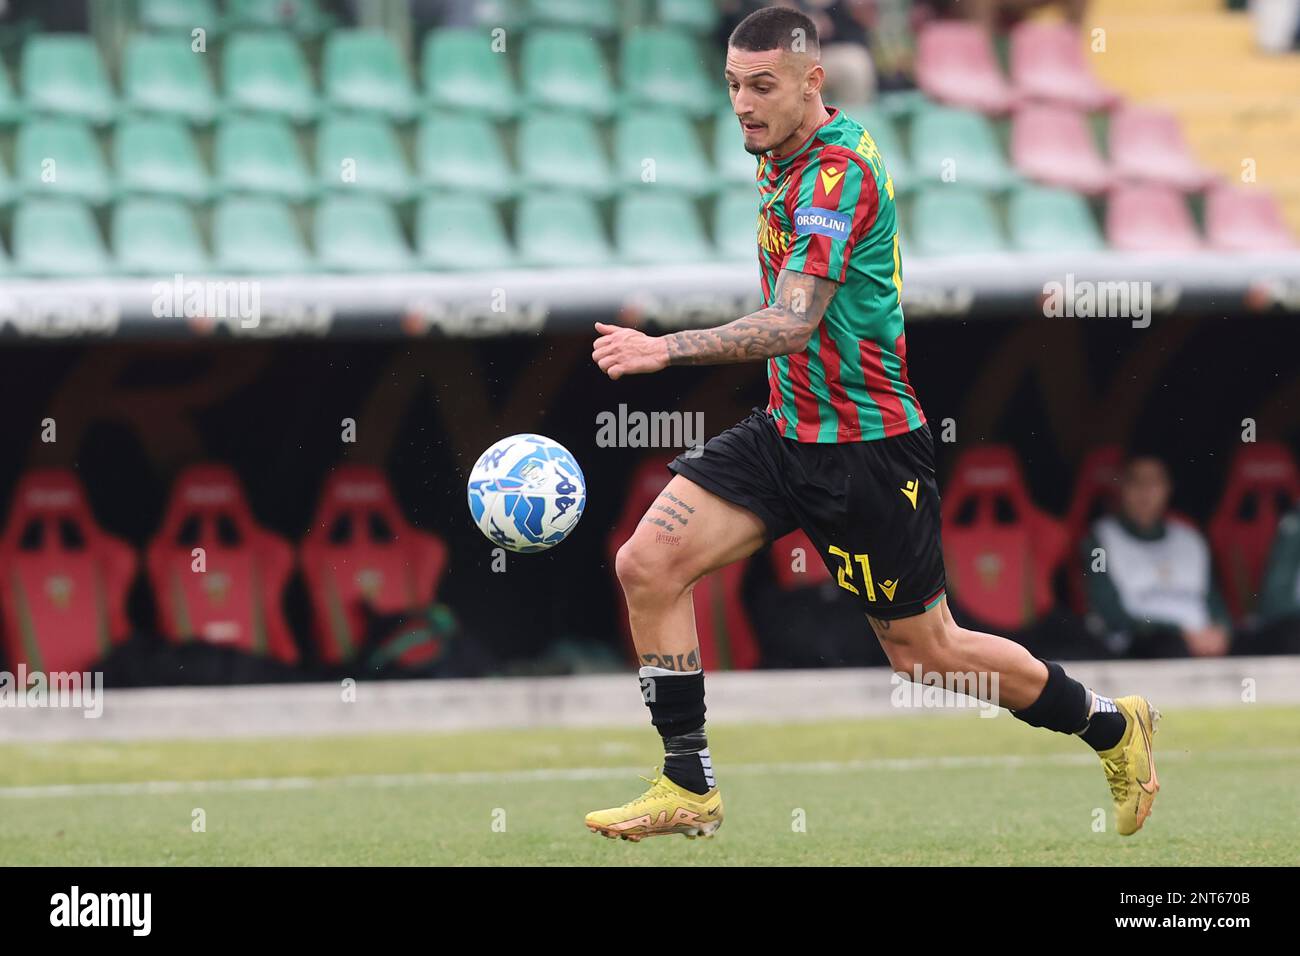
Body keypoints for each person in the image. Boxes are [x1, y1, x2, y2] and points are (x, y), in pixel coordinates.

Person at [587, 6, 1159, 842]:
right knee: (647, 564)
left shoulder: (837, 172)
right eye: (734, 87)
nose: (743, 105)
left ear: (812, 82)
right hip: (788, 430)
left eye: (763, 86)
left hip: (866, 448)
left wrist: (663, 351)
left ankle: (1113, 725)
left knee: (928, 653)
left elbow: (793, 323)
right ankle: (687, 781)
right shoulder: (777, 154)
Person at [1082, 454, 1232, 659]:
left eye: (1154, 482)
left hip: (1202, 642)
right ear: (1121, 488)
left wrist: (1222, 631)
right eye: (1136, 482)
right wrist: (1179, 633)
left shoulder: (1191, 539)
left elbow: (1214, 603)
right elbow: (1110, 614)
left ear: (1168, 488)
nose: (1145, 492)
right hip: (1140, 645)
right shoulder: (1101, 539)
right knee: (1168, 647)